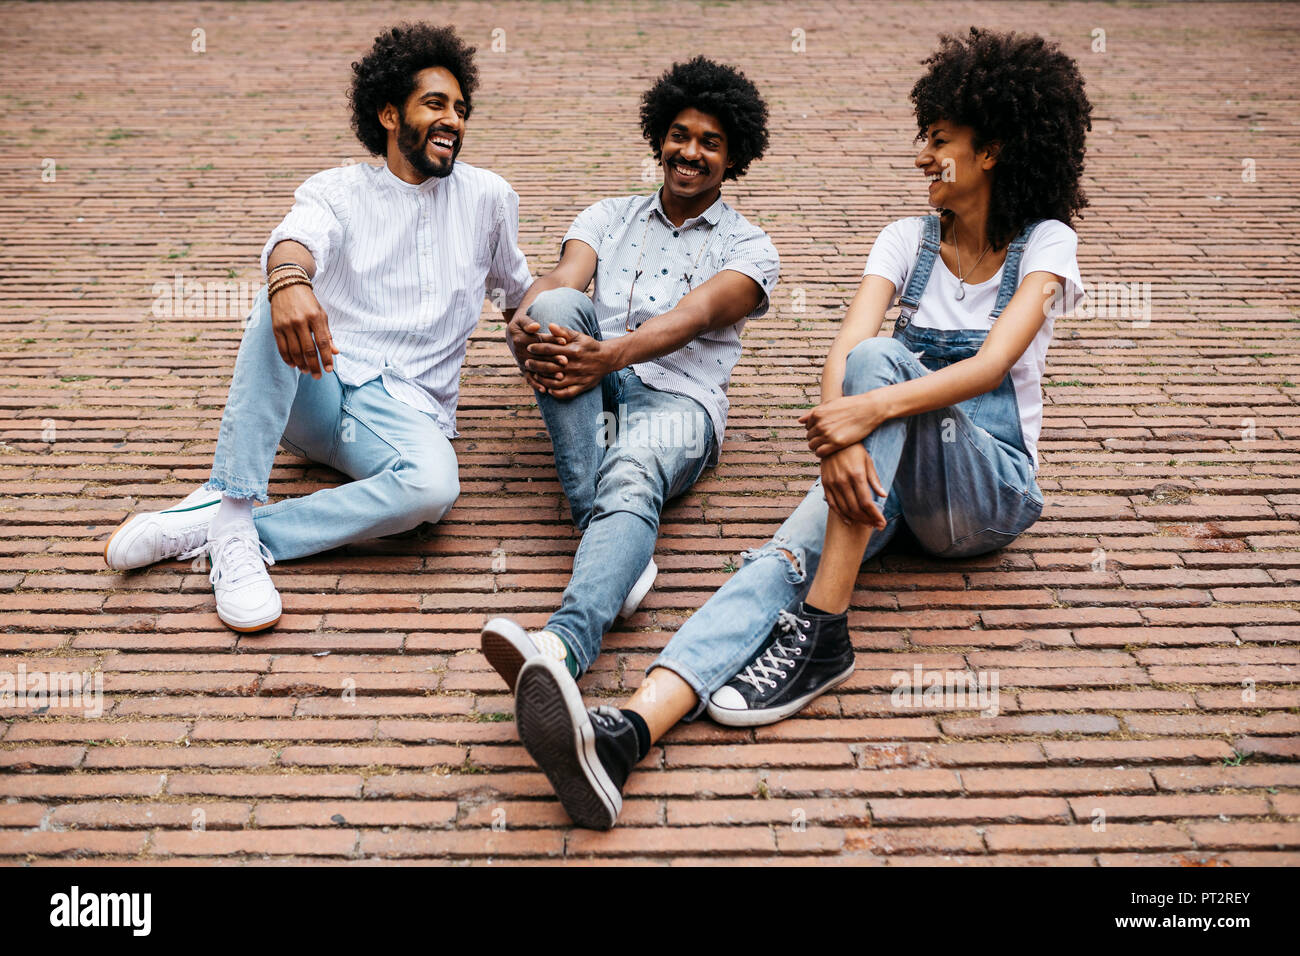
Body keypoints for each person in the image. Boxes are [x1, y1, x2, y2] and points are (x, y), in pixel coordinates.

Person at [509, 27, 1093, 829]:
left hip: (984, 487)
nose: (924, 157)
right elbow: (841, 357)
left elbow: (989, 367)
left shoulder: (1046, 243)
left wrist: (865, 415)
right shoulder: (904, 239)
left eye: (940, 141)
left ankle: (825, 631)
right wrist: (845, 441)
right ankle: (628, 732)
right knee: (776, 557)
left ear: (991, 151)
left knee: (885, 364)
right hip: (883, 473)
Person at [103, 23, 533, 633]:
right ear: (389, 113)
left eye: (461, 109)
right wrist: (289, 281)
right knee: (277, 297)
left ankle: (233, 527)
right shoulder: (338, 190)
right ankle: (234, 507)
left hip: (405, 416)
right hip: (318, 386)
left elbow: (518, 296)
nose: (454, 121)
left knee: (433, 491)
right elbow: (294, 241)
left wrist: (565, 352)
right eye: (435, 104)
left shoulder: (489, 198)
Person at [475, 56, 779, 783]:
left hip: (679, 405)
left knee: (635, 467)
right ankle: (620, 545)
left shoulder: (749, 247)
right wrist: (527, 321)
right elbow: (562, 283)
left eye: (710, 142)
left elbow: (691, 319)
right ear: (658, 137)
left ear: (733, 157)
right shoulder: (607, 215)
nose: (690, 152)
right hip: (591, 382)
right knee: (550, 314)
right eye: (679, 135)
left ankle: (562, 648)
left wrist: (606, 357)